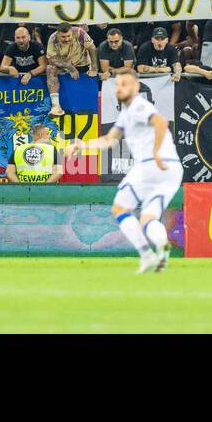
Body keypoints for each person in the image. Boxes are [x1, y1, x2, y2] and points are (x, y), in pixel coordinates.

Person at [66, 69, 180, 274]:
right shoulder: (127, 113)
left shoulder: (139, 106)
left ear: (136, 87)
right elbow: (108, 140)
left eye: (125, 84)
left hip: (152, 164)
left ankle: (147, 254)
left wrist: (155, 153)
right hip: (170, 168)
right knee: (148, 218)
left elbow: (161, 122)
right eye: (118, 84)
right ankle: (161, 248)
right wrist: (82, 146)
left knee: (120, 209)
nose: (120, 88)